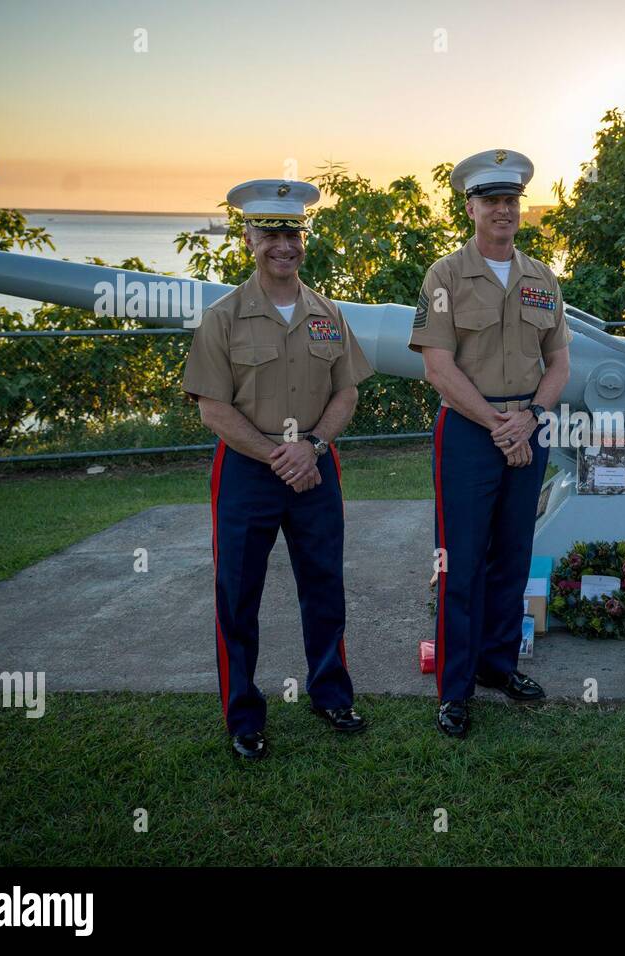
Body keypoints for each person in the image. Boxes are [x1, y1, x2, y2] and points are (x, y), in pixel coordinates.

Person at [182, 179, 374, 759]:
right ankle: (243, 715)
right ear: (249, 238)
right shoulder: (223, 317)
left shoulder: (328, 314)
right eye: (270, 232)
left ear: (304, 239)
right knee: (237, 594)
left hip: (314, 465)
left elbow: (347, 394)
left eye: (292, 231)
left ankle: (331, 694)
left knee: (324, 587)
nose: (282, 244)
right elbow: (213, 408)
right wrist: (279, 456)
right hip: (248, 471)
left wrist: (310, 446)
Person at [408, 149, 572, 739]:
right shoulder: (445, 277)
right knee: (459, 564)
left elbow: (558, 360)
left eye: (512, 201)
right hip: (470, 434)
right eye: (491, 200)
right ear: (471, 207)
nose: (503, 210)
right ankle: (454, 691)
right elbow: (438, 366)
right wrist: (499, 424)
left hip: (528, 428)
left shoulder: (541, 278)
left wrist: (529, 417)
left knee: (513, 556)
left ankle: (498, 667)